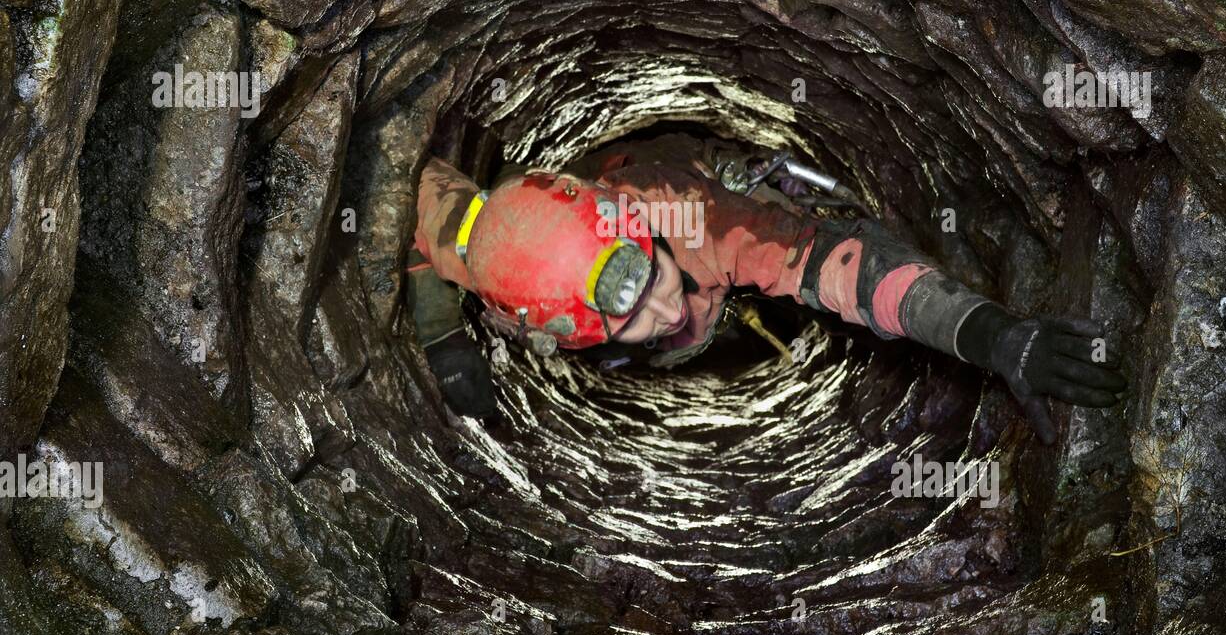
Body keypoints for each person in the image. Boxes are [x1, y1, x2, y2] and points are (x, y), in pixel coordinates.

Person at [405, 135, 1125, 443]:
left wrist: (984, 331)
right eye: (629, 316)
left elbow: (835, 264)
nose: (670, 305)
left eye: (650, 274)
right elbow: (428, 205)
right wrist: (440, 334)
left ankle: (732, 162)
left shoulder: (689, 222)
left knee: (710, 279)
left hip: (676, 168)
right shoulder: (478, 243)